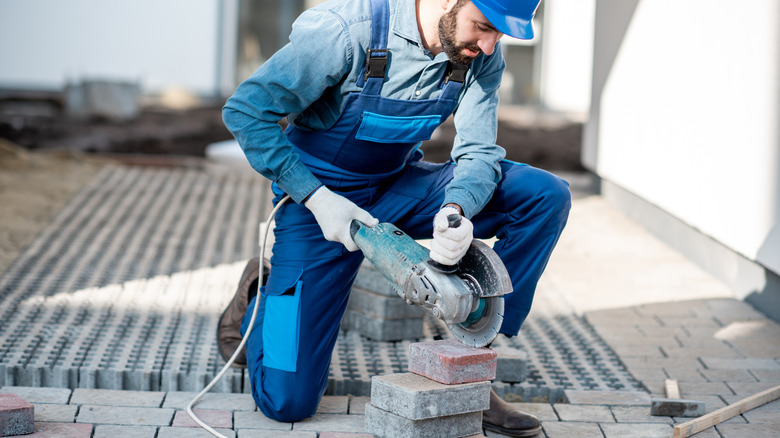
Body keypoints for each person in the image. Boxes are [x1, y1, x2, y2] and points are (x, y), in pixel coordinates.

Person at [217, 0, 570, 436]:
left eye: (500, 33)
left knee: (544, 195)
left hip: (397, 185)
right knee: (286, 403)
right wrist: (315, 197)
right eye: (482, 26)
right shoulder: (345, 32)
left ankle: (467, 372)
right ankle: (259, 297)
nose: (489, 43)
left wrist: (455, 210)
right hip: (320, 207)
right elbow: (246, 111)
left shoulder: (478, 54)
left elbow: (478, 152)